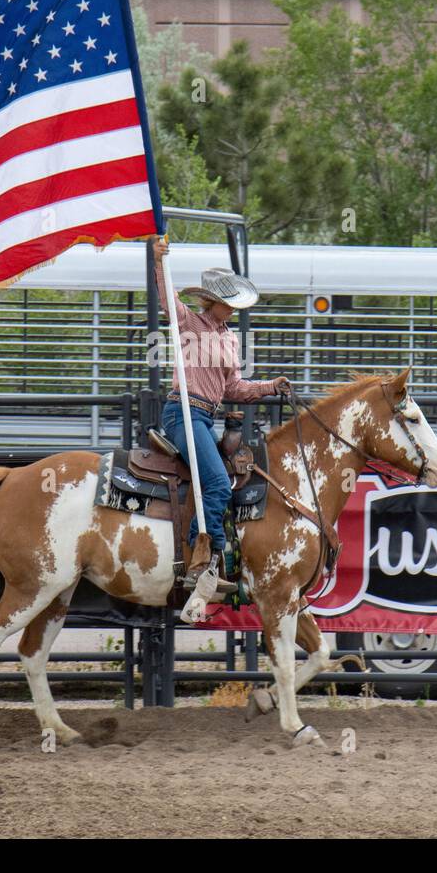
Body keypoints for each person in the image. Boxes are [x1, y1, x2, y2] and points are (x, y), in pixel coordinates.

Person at [152, 239, 289, 617]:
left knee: (224, 479)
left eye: (233, 302)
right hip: (182, 412)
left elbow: (233, 388)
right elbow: (168, 301)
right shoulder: (188, 322)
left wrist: (269, 386)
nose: (231, 307)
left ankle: (209, 558)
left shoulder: (230, 337)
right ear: (211, 301)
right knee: (215, 482)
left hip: (204, 415)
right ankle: (203, 562)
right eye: (226, 301)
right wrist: (158, 262)